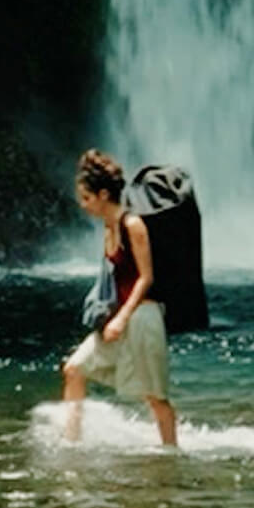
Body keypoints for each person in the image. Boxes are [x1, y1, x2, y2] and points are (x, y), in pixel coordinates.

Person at [60, 149, 178, 447]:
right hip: (118, 319)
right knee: (74, 369)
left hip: (142, 318)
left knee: (155, 398)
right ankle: (70, 444)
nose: (82, 204)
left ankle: (171, 454)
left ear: (102, 194)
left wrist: (122, 317)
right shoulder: (107, 228)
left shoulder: (132, 225)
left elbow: (146, 277)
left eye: (86, 198)